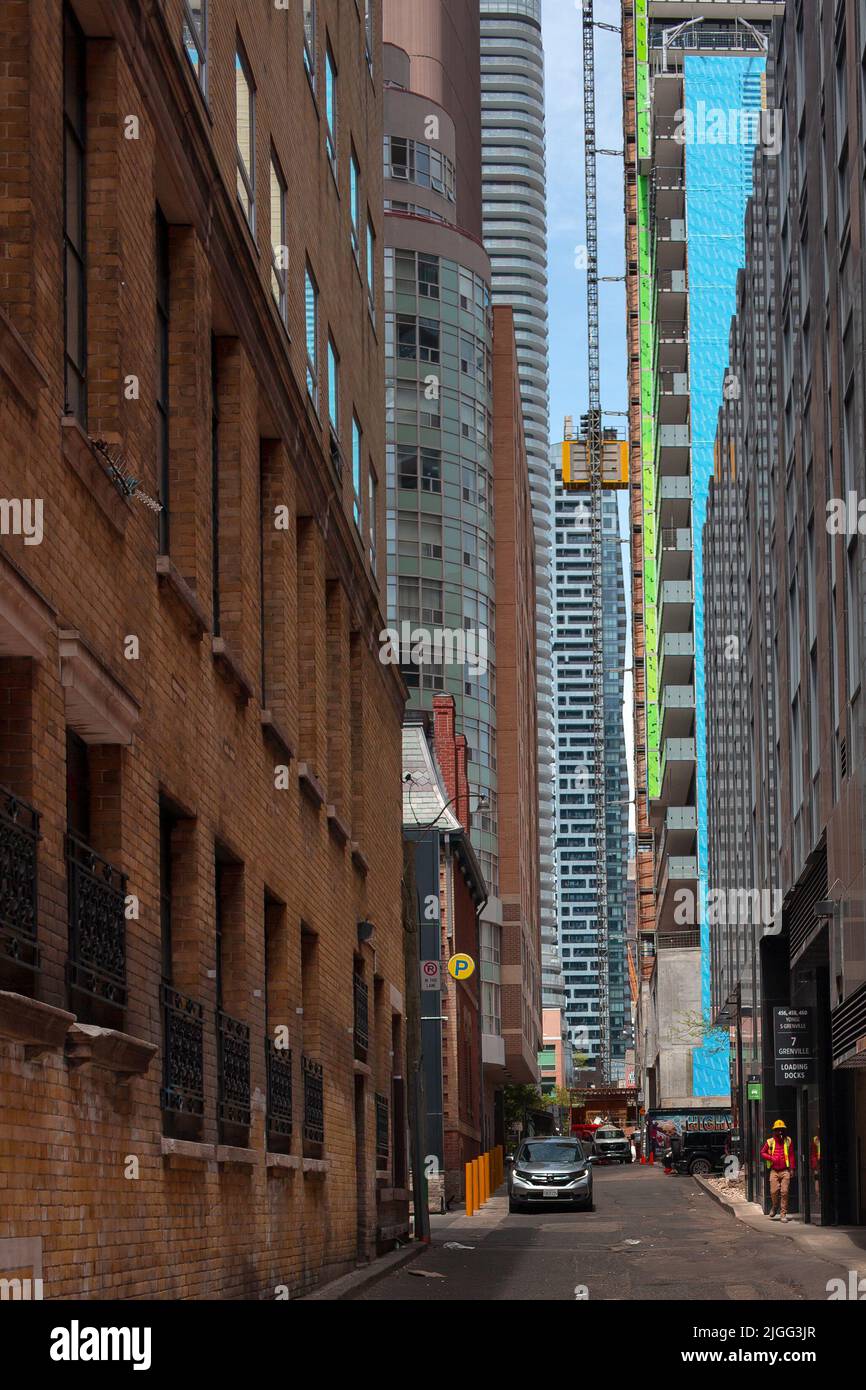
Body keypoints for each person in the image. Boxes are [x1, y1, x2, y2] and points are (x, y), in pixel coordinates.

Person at [761, 1119, 795, 1222]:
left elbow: (792, 1156)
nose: (780, 1132)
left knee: (784, 1192)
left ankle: (783, 1214)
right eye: (777, 1130)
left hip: (785, 1171)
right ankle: (775, 1206)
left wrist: (792, 1169)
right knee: (774, 1191)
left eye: (781, 1129)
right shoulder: (770, 1142)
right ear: (774, 1131)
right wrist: (771, 1158)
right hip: (774, 1171)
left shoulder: (788, 1141)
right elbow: (762, 1152)